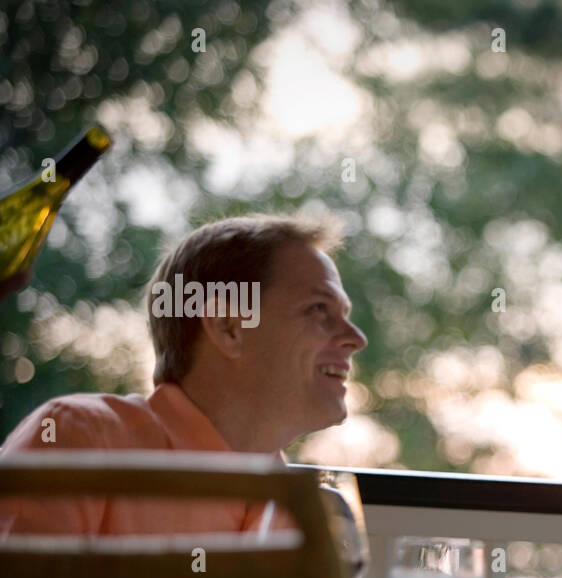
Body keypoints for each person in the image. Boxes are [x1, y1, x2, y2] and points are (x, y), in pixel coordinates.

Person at [0, 213, 367, 535]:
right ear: (228, 327)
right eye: (319, 309)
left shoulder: (298, 515)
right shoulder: (76, 442)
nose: (356, 338)